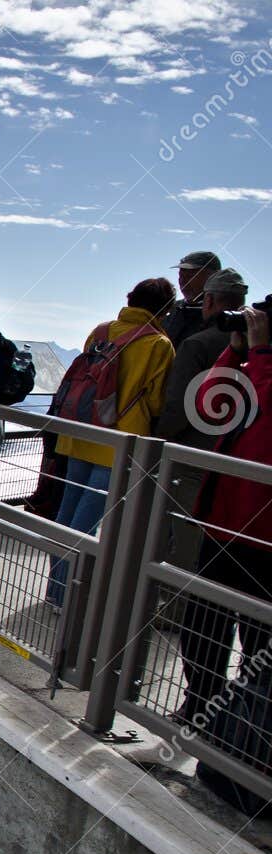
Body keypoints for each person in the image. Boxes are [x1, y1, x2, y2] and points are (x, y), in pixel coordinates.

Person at [178, 300, 272, 812]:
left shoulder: (265, 370)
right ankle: (202, 708)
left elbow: (263, 420)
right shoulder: (253, 366)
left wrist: (257, 354)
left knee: (259, 644)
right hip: (224, 523)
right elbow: (210, 403)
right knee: (203, 625)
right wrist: (233, 355)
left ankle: (247, 744)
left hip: (264, 538)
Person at [46, 278, 176, 607]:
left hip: (80, 433)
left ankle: (55, 591)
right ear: (165, 309)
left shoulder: (101, 331)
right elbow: (158, 402)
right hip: (119, 445)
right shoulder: (159, 344)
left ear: (130, 299)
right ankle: (66, 598)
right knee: (87, 522)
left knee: (67, 513)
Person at [157, 268, 251, 575]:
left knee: (184, 533)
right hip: (238, 460)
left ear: (208, 301)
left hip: (192, 456)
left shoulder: (197, 344)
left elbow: (178, 407)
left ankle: (177, 611)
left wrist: (157, 439)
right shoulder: (259, 348)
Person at [164, 250, 222, 347]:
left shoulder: (225, 313)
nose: (182, 280)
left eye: (190, 275)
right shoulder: (169, 309)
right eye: (180, 275)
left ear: (214, 276)